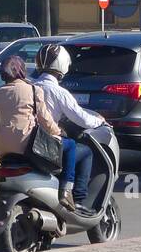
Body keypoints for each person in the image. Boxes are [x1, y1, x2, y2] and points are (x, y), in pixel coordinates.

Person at [32, 44, 98, 212]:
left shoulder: (30, 86)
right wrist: (99, 121)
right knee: (85, 152)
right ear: (62, 64)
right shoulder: (58, 92)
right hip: (47, 147)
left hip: (27, 143)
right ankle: (78, 198)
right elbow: (82, 119)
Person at [0, 54, 67, 184]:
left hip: (1, 150)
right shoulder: (34, 90)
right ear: (22, 70)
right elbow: (45, 120)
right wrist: (58, 132)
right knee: (71, 146)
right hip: (28, 147)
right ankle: (66, 191)